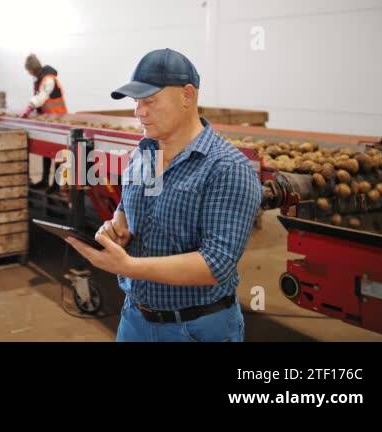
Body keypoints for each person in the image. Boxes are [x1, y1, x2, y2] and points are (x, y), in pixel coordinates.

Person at [66, 49, 262, 342]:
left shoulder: (227, 168)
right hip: (134, 319)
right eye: (136, 102)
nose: (138, 111)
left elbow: (216, 264)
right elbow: (125, 207)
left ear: (187, 95)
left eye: (150, 101)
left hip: (196, 328)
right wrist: (117, 227)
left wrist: (129, 267)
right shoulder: (143, 153)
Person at [22, 54, 68, 191]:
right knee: (47, 152)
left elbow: (42, 97)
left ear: (33, 68)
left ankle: (55, 185)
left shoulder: (49, 79)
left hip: (59, 120)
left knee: (58, 154)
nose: (29, 73)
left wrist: (29, 107)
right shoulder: (40, 79)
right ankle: (44, 180)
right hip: (48, 121)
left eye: (28, 70)